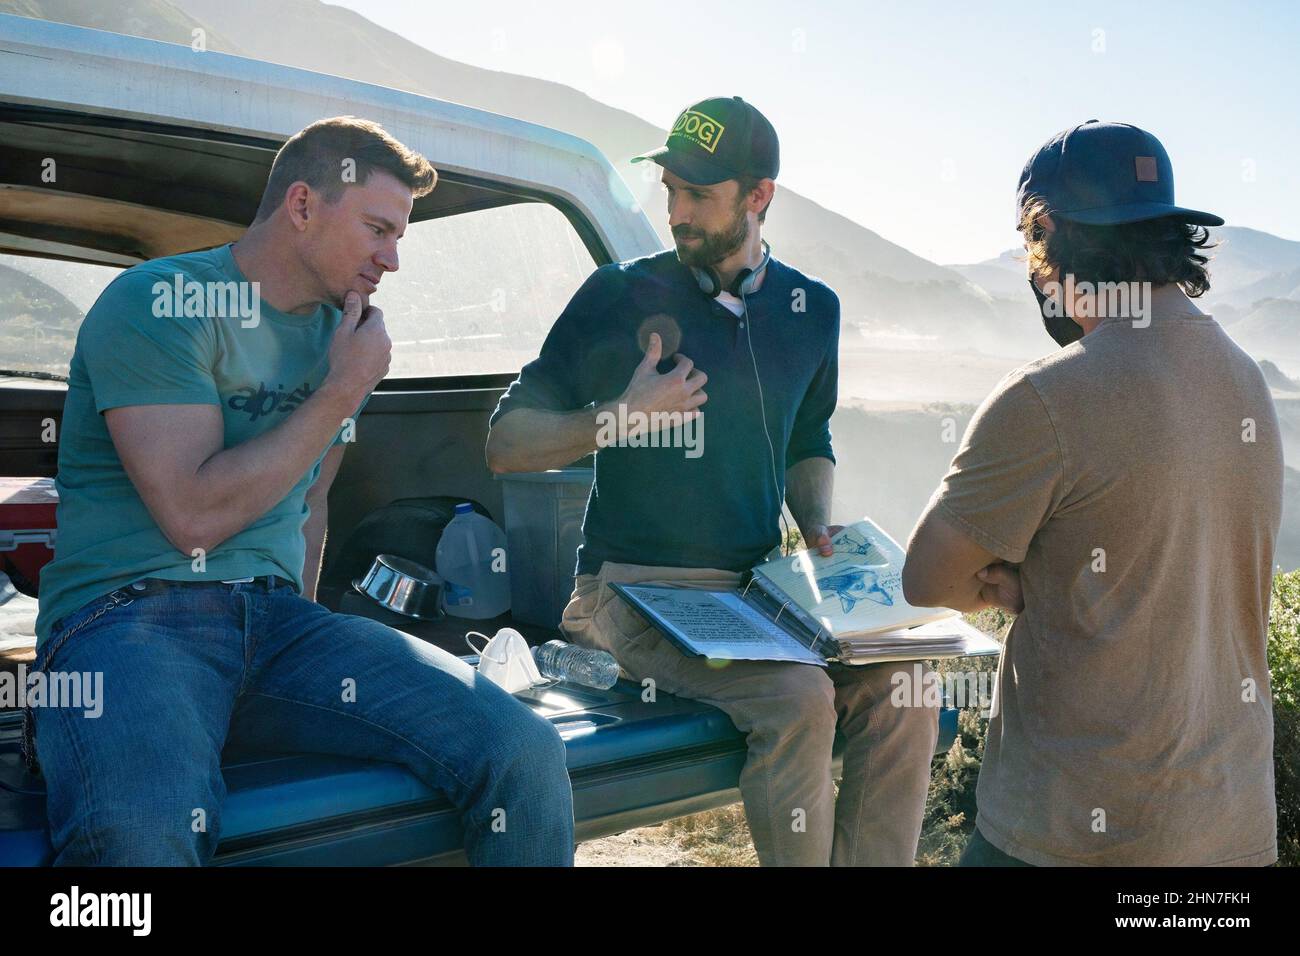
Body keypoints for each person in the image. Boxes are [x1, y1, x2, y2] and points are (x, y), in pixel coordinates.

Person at [25, 116, 574, 866]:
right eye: (379, 228)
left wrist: (308, 638)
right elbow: (193, 518)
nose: (393, 259)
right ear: (304, 205)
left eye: (400, 236)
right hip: (128, 622)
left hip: (279, 626)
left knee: (525, 749)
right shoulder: (162, 301)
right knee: (142, 837)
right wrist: (344, 389)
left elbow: (310, 510)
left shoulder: (338, 335)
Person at [486, 96, 938, 866]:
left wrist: (817, 522)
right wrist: (619, 416)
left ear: (758, 196)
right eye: (670, 190)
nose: (678, 212)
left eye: (700, 194)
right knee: (798, 700)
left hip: (759, 596)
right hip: (626, 591)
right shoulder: (616, 294)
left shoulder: (810, 310)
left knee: (908, 687)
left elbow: (807, 436)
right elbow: (504, 443)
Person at [903, 120, 1282, 866]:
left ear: (1048, 236)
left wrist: (1017, 577)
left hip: (1067, 836)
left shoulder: (1046, 400)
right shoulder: (1249, 384)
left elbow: (927, 578)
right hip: (1231, 832)